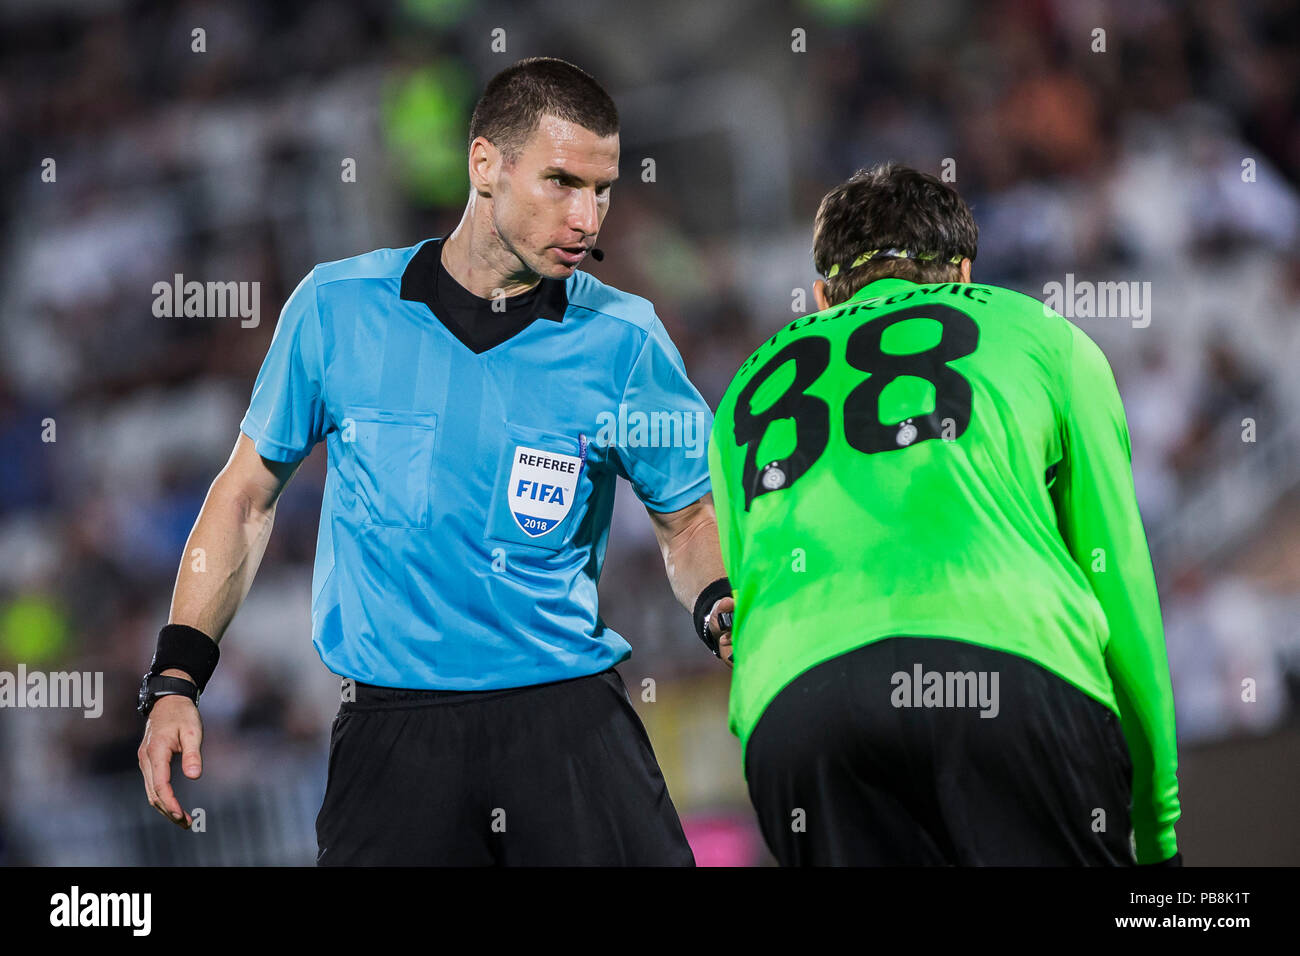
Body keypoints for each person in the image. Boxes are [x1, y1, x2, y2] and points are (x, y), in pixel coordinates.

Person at [136, 56, 735, 866]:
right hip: (394, 743)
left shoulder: (624, 341)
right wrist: (177, 677)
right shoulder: (334, 310)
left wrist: (718, 602)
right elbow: (245, 497)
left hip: (567, 726)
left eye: (602, 189)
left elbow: (690, 516)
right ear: (484, 164)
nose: (588, 217)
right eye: (562, 182)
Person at [707, 162, 1182, 866]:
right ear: (964, 275)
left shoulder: (741, 395)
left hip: (798, 709)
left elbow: (750, 604)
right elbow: (1122, 586)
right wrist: (1159, 824)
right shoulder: (1044, 336)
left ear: (820, 298)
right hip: (1006, 670)